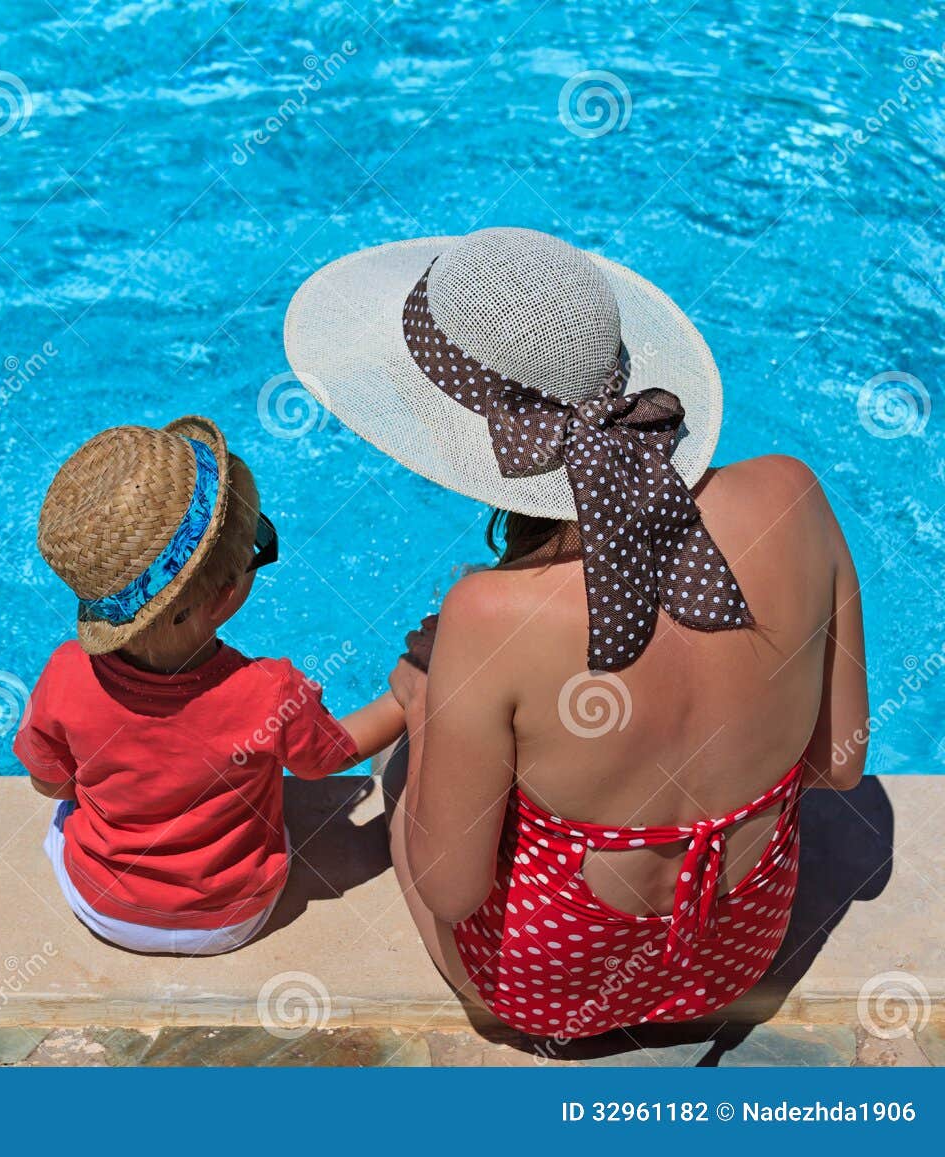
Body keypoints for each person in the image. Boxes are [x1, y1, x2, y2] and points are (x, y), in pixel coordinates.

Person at [284, 227, 869, 1037]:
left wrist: (424, 703)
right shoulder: (791, 496)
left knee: (405, 760)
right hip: (741, 951)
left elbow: (454, 892)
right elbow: (840, 765)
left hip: (542, 992)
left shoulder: (492, 614)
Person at [14, 417, 405, 955]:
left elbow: (52, 785)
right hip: (232, 917)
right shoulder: (270, 691)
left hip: (103, 908)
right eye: (257, 547)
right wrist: (406, 694)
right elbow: (328, 757)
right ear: (224, 595)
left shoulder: (65, 674)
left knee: (68, 816)